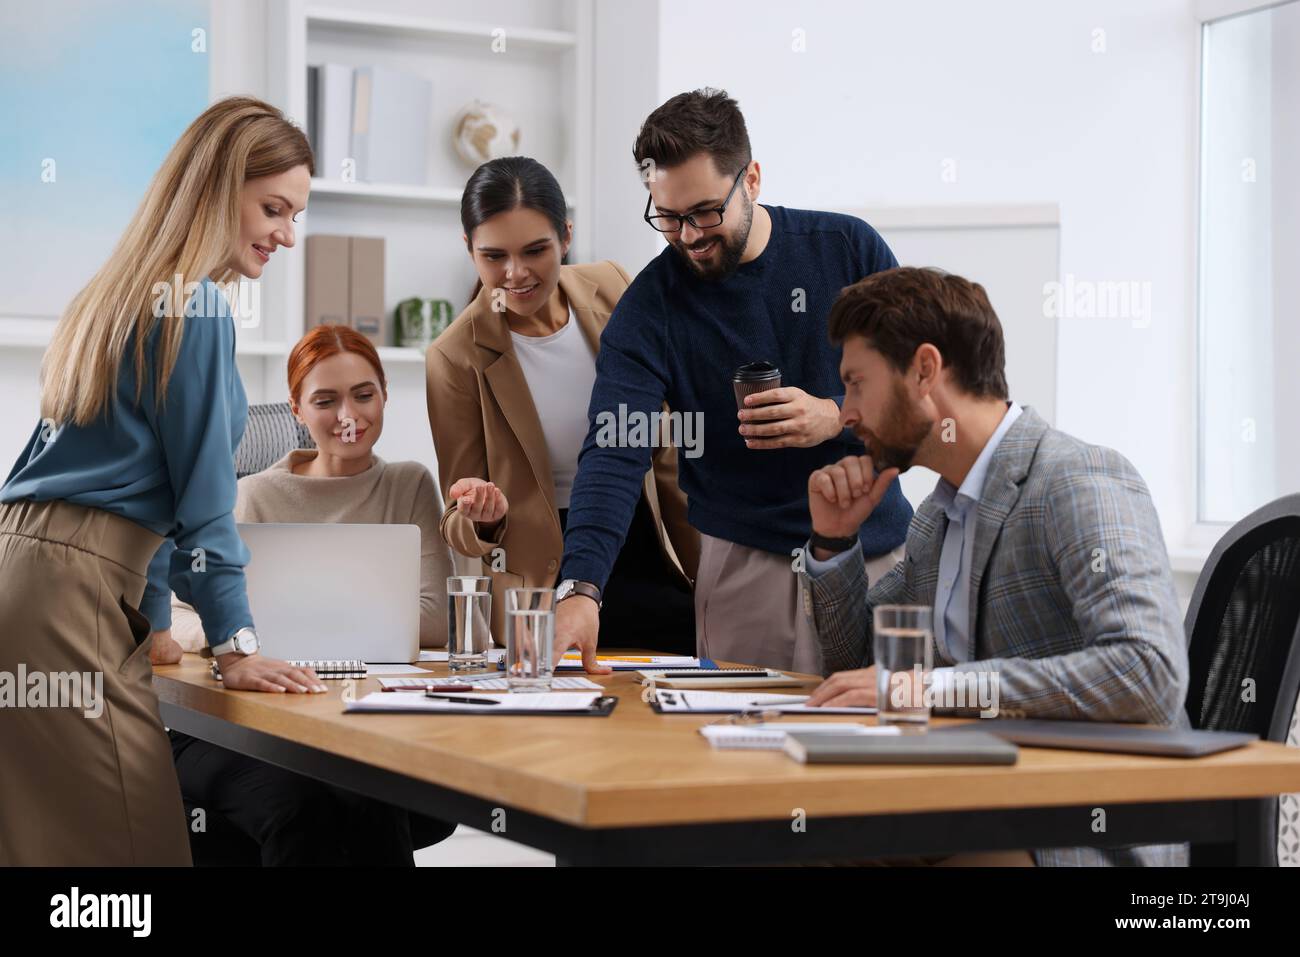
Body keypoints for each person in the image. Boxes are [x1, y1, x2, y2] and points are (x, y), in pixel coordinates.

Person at [0, 96, 325, 866]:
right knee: (133, 852)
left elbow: (122, 478)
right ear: (216, 190)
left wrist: (150, 622)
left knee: (49, 852)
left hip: (26, 575)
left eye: (295, 214)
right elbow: (203, 502)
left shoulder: (111, 298)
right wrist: (238, 644)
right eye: (272, 208)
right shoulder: (199, 308)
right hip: (66, 598)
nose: (285, 233)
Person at [800, 265, 1189, 867]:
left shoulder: (1076, 480)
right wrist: (833, 543)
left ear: (925, 370)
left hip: (1083, 832)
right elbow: (860, 671)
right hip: (981, 804)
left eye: (855, 383)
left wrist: (928, 688)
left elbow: (1149, 673)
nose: (846, 412)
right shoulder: (940, 516)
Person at [555, 89, 912, 674]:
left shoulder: (848, 250)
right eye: (667, 217)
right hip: (743, 568)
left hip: (874, 551)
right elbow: (616, 448)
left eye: (703, 211)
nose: (689, 235)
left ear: (751, 180)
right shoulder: (651, 307)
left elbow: (917, 393)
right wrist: (582, 588)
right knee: (736, 751)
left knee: (880, 744)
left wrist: (835, 414)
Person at [160, 325, 456, 865]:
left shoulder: (409, 484)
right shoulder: (251, 495)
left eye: (364, 395)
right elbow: (179, 617)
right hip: (236, 729)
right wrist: (239, 641)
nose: (350, 416)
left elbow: (435, 621)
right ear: (296, 408)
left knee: (374, 795)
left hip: (356, 722)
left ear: (385, 392)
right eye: (326, 400)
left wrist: (279, 626)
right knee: (306, 809)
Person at [427, 156, 698, 654]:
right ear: (469, 249)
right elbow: (455, 521)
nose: (516, 274)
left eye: (536, 250)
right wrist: (483, 517)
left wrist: (709, 569)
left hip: (642, 538)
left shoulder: (613, 286)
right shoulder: (453, 357)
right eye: (493, 256)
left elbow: (665, 442)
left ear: (566, 236)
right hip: (544, 585)